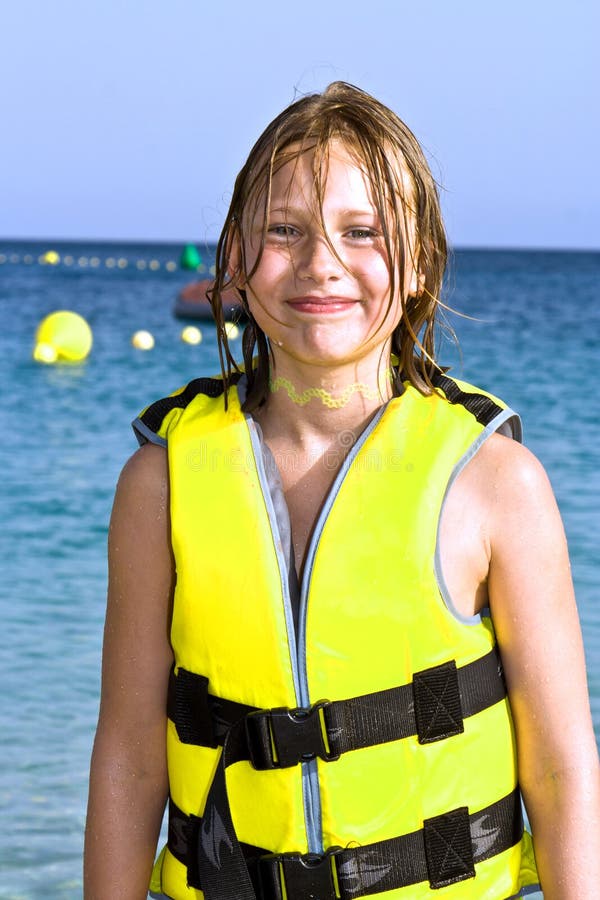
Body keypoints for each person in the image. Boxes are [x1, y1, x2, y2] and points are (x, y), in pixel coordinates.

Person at [84, 82, 600, 900]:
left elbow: (561, 761)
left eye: (361, 232)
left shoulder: (496, 485)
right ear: (236, 262)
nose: (321, 261)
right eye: (284, 231)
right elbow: (130, 751)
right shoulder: (162, 483)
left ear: (421, 261)